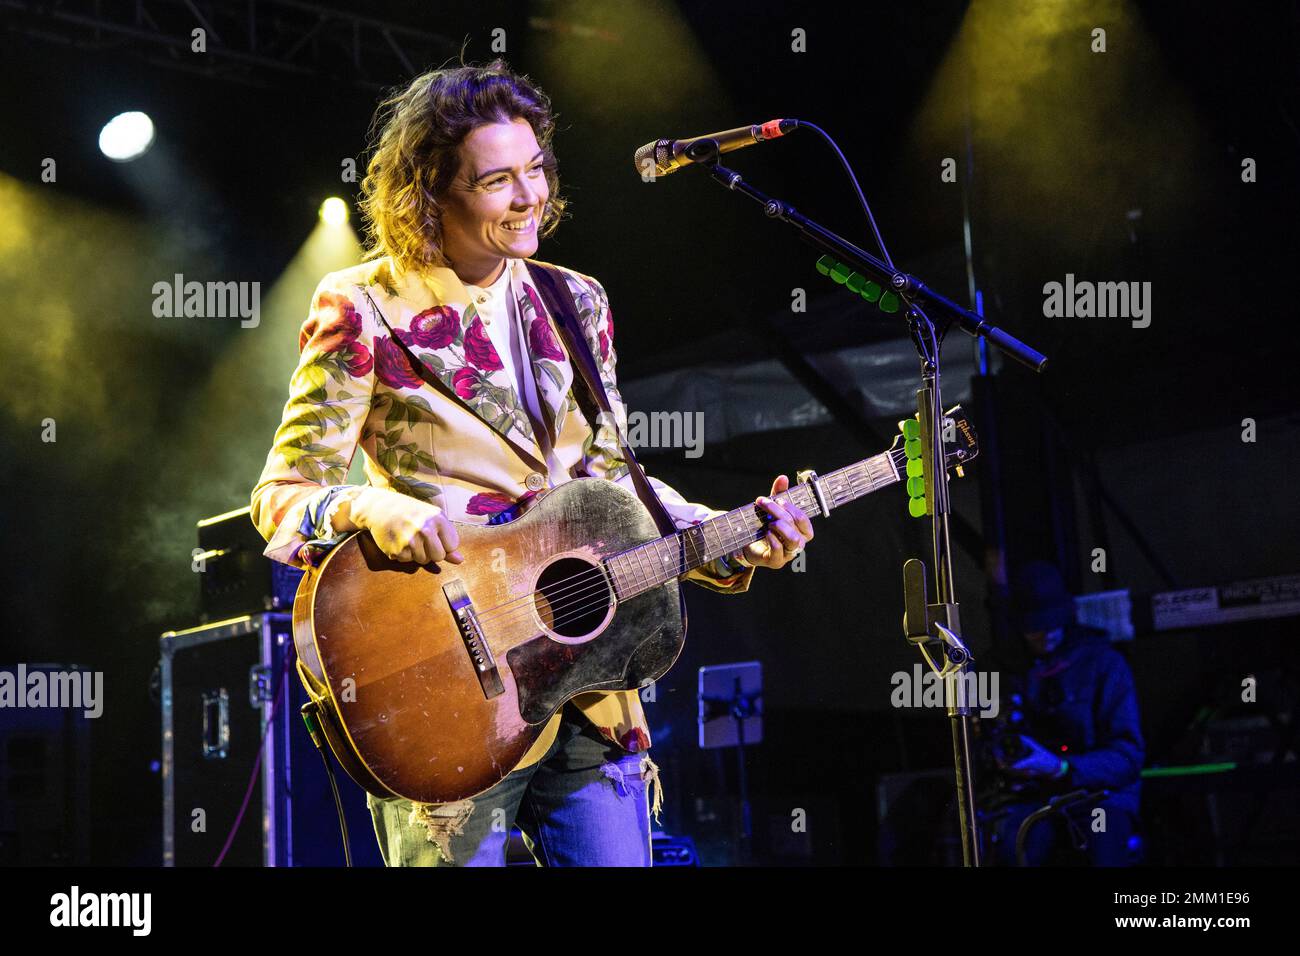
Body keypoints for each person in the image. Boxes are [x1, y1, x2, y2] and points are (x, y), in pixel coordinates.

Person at [249, 59, 814, 866]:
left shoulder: (576, 299)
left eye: (537, 169)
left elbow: (614, 487)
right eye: (497, 181)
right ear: (429, 194)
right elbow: (281, 494)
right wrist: (371, 508)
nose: (530, 197)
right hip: (450, 693)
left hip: (591, 683)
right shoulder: (362, 306)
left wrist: (732, 540)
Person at [988, 561, 1144, 866]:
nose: (1045, 635)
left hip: (1099, 794)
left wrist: (1061, 767)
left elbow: (1128, 755)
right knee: (1014, 849)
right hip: (1027, 797)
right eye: (1035, 627)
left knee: (1103, 848)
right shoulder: (1002, 669)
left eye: (1051, 623)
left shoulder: (1104, 664)